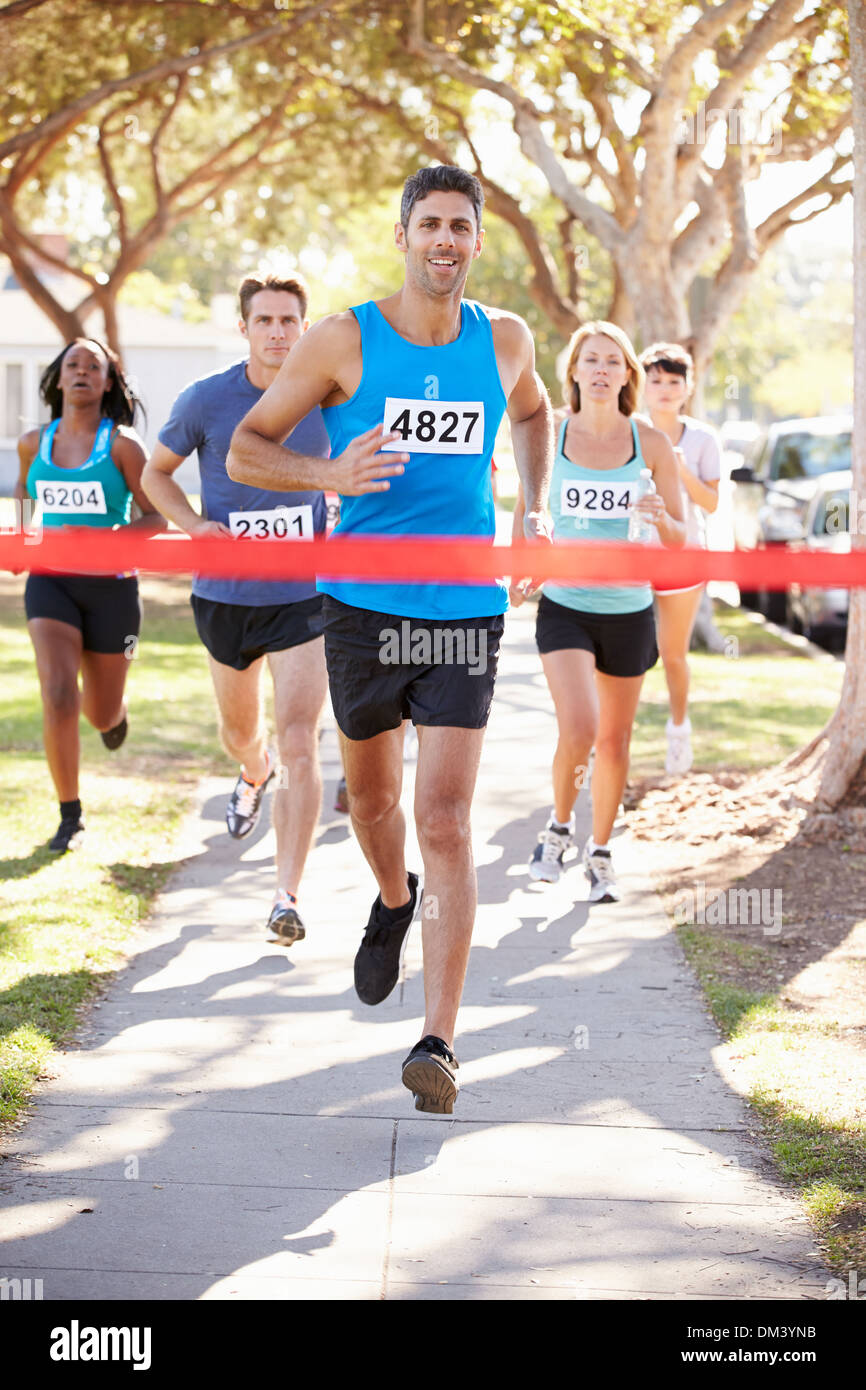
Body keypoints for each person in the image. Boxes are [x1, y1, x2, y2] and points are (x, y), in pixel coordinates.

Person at [228, 165, 552, 1114]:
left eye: (461, 225)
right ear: (402, 234)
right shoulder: (341, 339)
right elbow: (250, 446)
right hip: (364, 613)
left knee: (445, 816)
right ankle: (394, 900)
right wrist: (330, 469)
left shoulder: (505, 339)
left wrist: (530, 512)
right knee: (372, 803)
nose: (445, 240)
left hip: (463, 608)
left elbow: (532, 411)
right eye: (430, 225)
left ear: (477, 241)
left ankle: (439, 1042)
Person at [142, 273, 330, 945]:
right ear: (245, 328)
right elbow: (154, 473)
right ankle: (252, 773)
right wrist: (193, 526)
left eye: (289, 320)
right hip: (225, 597)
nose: (279, 331)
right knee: (243, 736)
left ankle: (287, 895)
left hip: (303, 597)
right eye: (266, 321)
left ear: (304, 328)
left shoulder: (329, 398)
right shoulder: (207, 399)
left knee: (301, 736)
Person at [513, 321, 685, 903]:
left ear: (627, 373)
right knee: (580, 728)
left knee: (614, 741)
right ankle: (558, 829)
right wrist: (522, 565)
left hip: (630, 608)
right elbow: (528, 511)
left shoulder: (651, 444)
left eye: (614, 360)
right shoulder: (552, 434)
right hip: (567, 603)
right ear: (575, 371)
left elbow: (682, 537)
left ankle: (601, 852)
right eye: (592, 359)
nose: (603, 369)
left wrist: (661, 517)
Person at [15, 337, 163, 852]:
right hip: (50, 581)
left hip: (112, 589)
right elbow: (24, 496)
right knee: (57, 692)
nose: (81, 372)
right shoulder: (33, 442)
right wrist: (22, 541)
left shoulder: (122, 445)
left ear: (108, 382)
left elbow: (154, 516)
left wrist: (105, 540)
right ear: (58, 379)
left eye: (93, 367)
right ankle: (69, 814)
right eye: (72, 365)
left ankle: (115, 716)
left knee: (98, 712)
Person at [639, 342, 721, 774]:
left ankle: (678, 733)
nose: (665, 390)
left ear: (688, 387)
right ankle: (604, 741)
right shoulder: (627, 430)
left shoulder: (704, 438)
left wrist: (678, 468)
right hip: (631, 560)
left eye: (674, 381)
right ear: (642, 385)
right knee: (619, 654)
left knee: (672, 653)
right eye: (656, 380)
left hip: (684, 558)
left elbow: (710, 503)